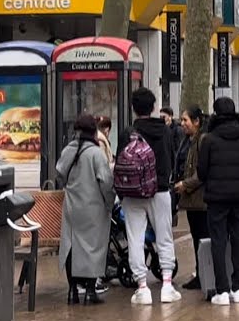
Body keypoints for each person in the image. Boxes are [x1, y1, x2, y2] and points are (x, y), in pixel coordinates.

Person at [117, 88, 180, 306]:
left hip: (133, 194)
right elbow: (171, 159)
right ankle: (167, 285)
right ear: (153, 107)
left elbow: (119, 163)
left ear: (133, 108)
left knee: (135, 238)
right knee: (164, 236)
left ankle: (142, 287)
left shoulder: (128, 133)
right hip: (159, 191)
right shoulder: (164, 131)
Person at [197, 97, 239, 305]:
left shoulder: (209, 139)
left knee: (218, 240)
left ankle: (222, 290)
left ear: (216, 114)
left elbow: (202, 171)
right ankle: (238, 287)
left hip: (216, 197)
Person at [57, 114, 114, 305]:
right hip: (94, 207)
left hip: (72, 206)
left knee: (71, 245)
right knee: (93, 248)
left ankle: (72, 290)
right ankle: (90, 290)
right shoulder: (96, 154)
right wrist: (109, 203)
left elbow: (60, 173)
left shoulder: (68, 150)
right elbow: (106, 182)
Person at [173, 106, 208, 290]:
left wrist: (185, 184)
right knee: (197, 237)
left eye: (185, 120)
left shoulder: (201, 140)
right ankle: (201, 274)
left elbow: (202, 172)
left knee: (201, 237)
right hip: (193, 200)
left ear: (196, 122)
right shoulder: (188, 140)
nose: (182, 123)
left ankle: (204, 275)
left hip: (200, 199)